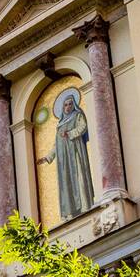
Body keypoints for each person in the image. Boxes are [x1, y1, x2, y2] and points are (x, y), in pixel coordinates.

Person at [39, 91, 95, 220]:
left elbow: (83, 127)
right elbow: (56, 144)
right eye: (66, 105)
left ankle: (85, 206)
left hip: (75, 153)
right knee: (66, 183)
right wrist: (47, 157)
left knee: (79, 177)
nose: (68, 107)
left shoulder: (78, 115)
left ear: (74, 105)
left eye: (70, 104)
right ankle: (70, 213)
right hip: (64, 159)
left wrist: (70, 134)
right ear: (63, 107)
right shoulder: (60, 124)